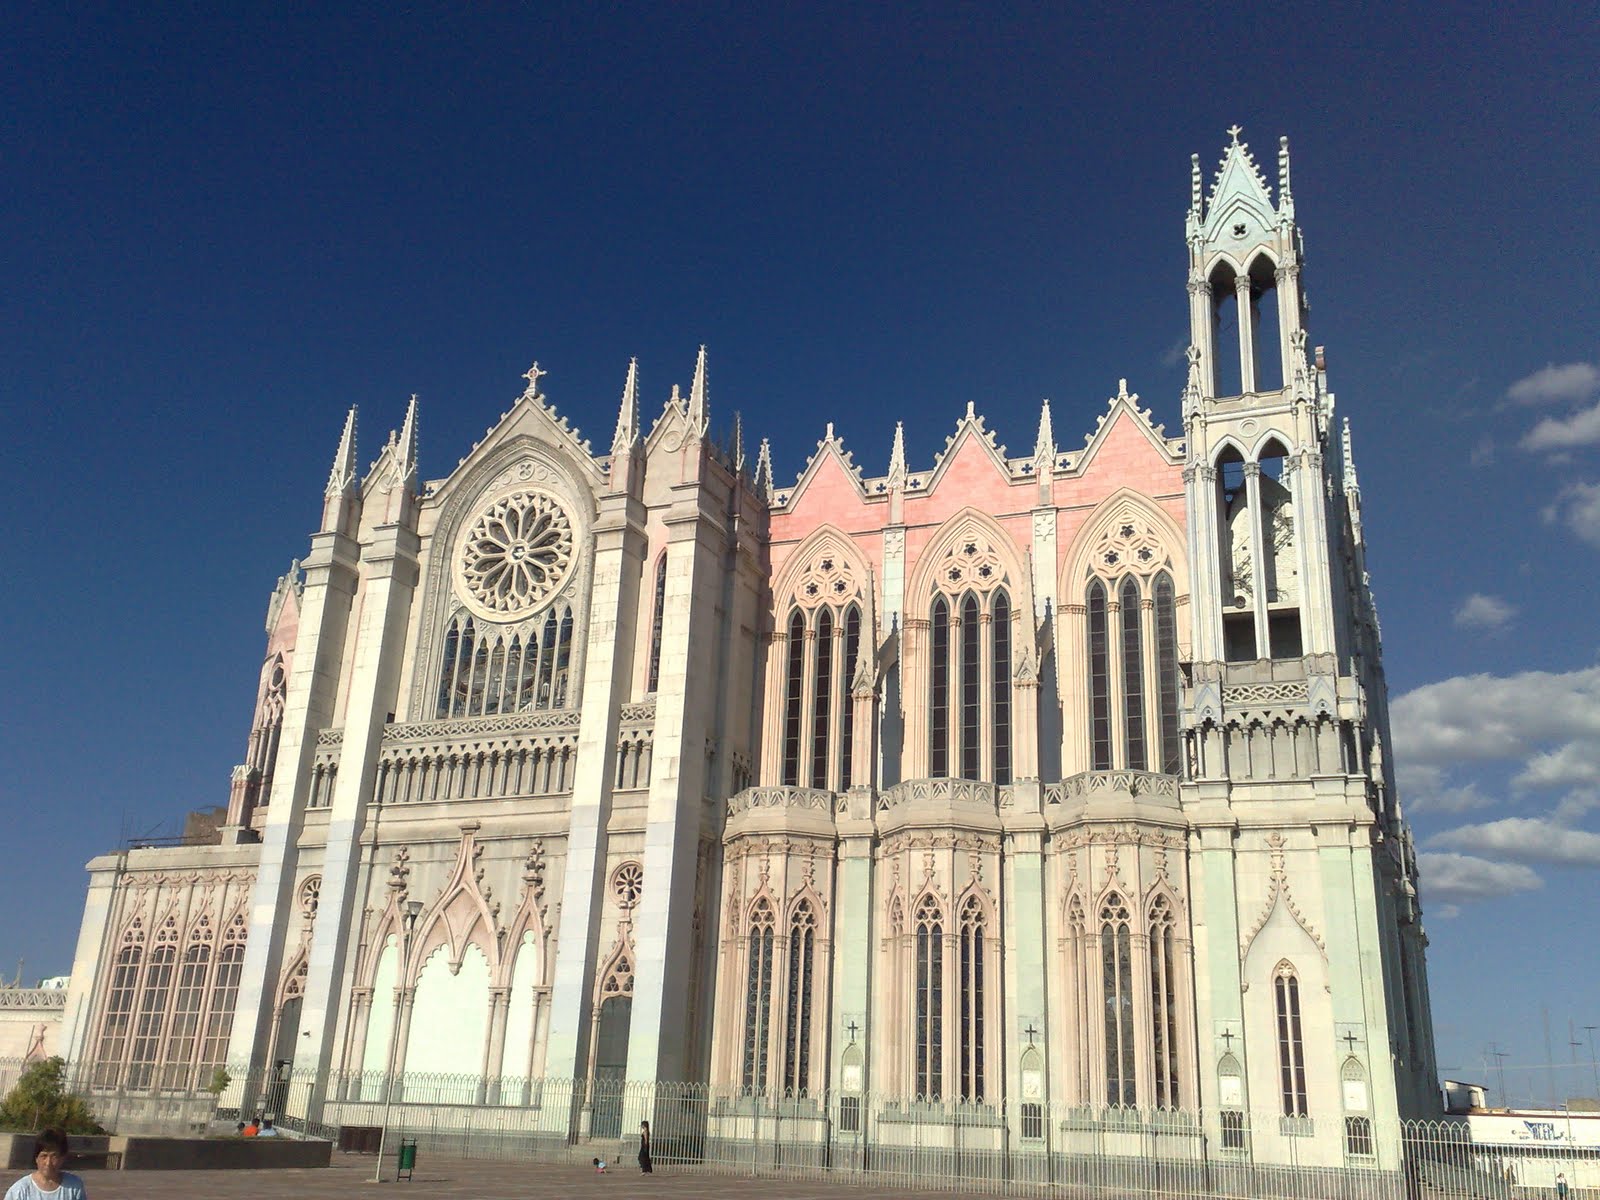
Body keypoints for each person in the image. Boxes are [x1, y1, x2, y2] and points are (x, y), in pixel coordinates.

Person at [5, 1129, 89, 1200]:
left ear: (62, 1158)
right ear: (36, 1158)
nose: (48, 1163)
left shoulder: (74, 1185)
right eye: (44, 1156)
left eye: (54, 1156)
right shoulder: (20, 1190)